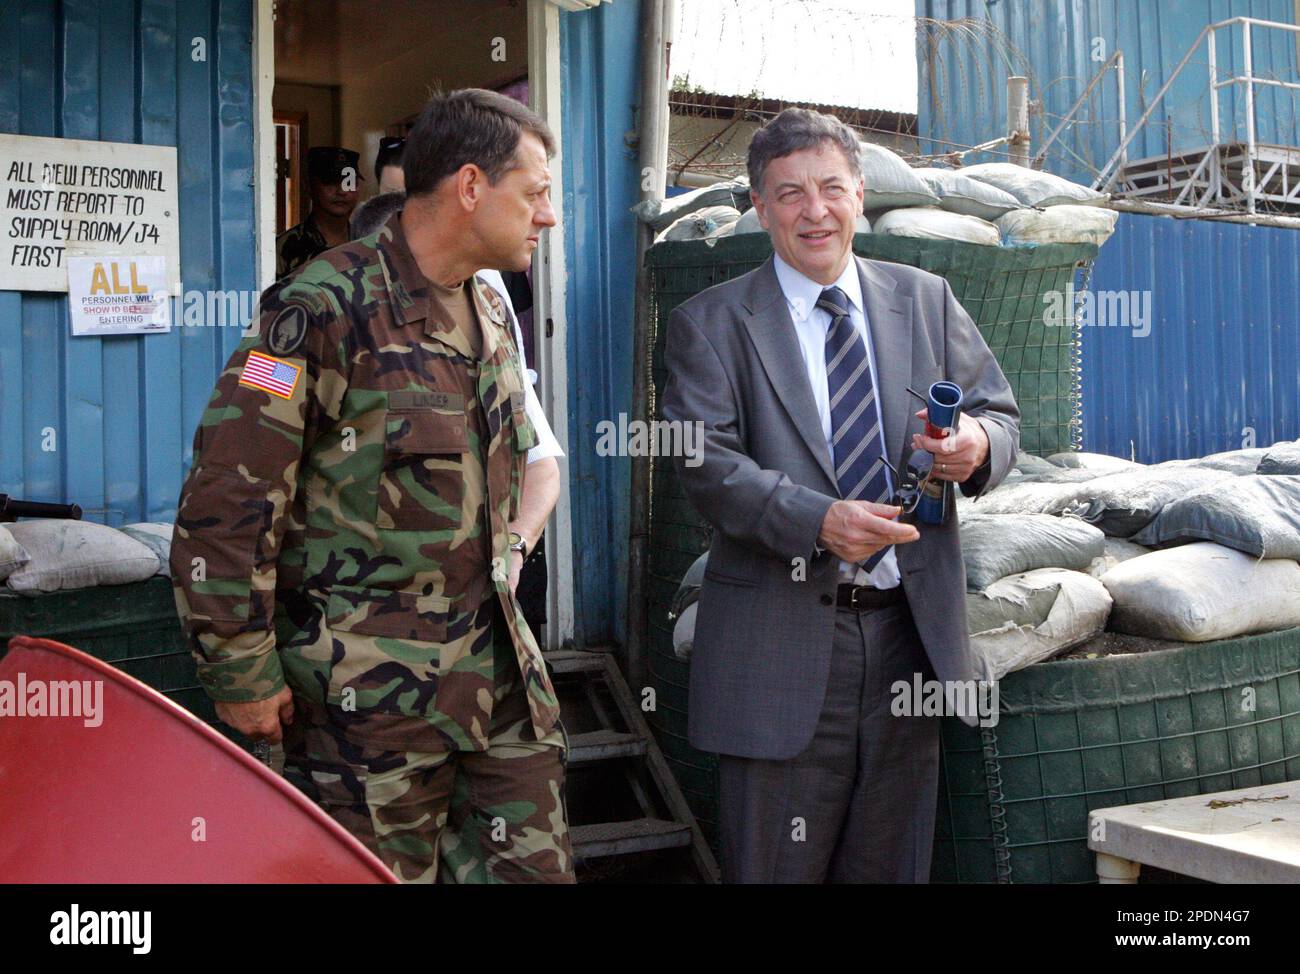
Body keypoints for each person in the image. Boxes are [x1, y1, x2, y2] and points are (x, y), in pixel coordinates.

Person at [171, 88, 571, 883]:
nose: (547, 217)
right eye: (534, 194)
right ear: (469, 186)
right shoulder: (311, 312)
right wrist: (241, 674)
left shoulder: (490, 311)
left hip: (498, 690)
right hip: (364, 715)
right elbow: (228, 501)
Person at [660, 108, 1020, 883]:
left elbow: (1002, 415)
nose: (813, 211)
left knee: (892, 868)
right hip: (778, 648)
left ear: (860, 193)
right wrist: (816, 521)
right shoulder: (712, 323)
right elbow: (702, 462)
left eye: (830, 188)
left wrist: (976, 446)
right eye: (789, 194)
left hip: (906, 642)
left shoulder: (924, 299)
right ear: (760, 208)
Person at [275, 146, 362, 279]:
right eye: (330, 182)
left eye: (348, 182)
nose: (341, 191)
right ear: (310, 186)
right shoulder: (286, 248)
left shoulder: (367, 240)